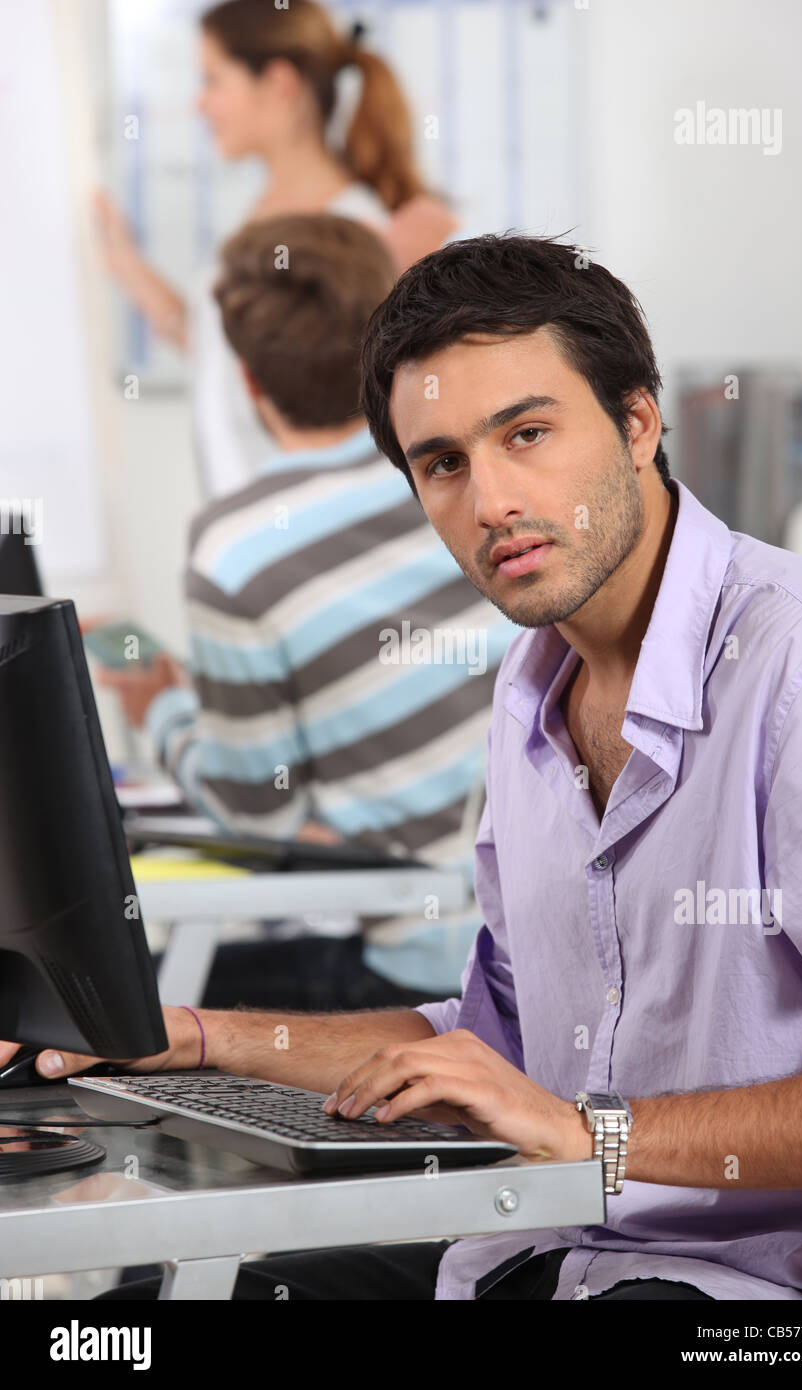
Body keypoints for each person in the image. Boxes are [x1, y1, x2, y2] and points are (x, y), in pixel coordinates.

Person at [11, 233, 802, 1301]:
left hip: (747, 1292)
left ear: (636, 422)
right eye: (443, 463)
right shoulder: (529, 688)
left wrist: (579, 1130)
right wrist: (188, 1036)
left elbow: (567, 1114)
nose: (490, 500)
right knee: (133, 1318)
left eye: (527, 433)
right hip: (542, 1248)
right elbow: (495, 1040)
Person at [100, 212, 516, 1010]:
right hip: (525, 932)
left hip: (418, 962)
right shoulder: (449, 469)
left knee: (130, 1004)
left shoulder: (236, 546)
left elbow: (263, 813)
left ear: (248, 382)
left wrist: (163, 711)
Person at [95, 0, 457, 499]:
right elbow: (224, 346)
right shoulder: (264, 213)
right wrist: (127, 266)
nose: (199, 103)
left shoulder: (351, 232)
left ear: (280, 84)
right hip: (248, 518)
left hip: (303, 530)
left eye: (214, 80)